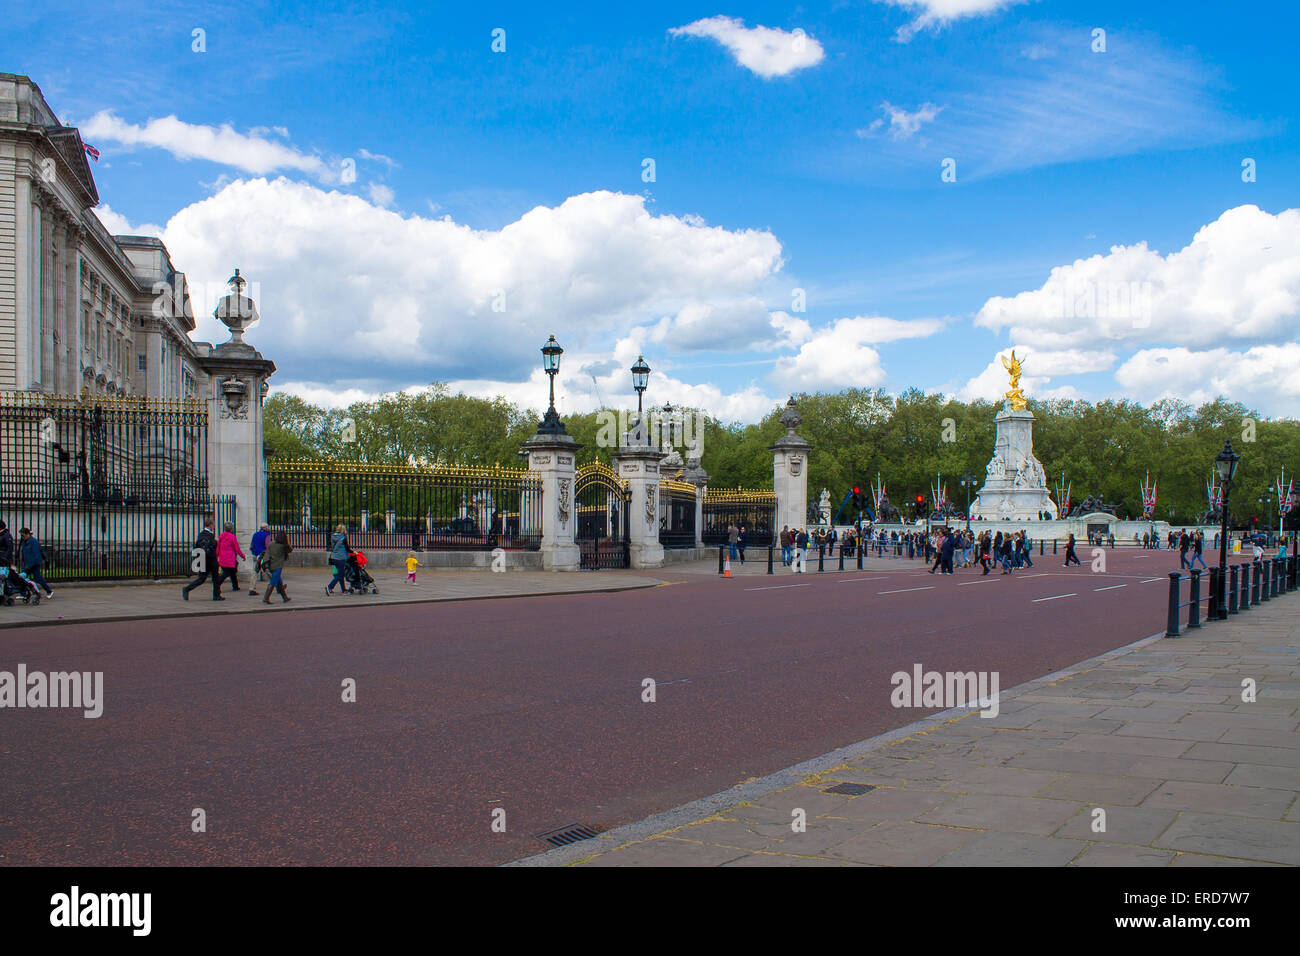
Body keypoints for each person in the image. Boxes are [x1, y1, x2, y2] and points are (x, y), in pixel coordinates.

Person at [182, 517, 221, 601]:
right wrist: (215, 542)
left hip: (203, 559)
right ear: (210, 525)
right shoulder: (209, 535)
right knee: (214, 577)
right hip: (210, 559)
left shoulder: (201, 534)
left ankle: (187, 589)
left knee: (202, 578)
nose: (214, 526)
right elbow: (211, 545)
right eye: (213, 524)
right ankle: (216, 595)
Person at [18, 528, 54, 598]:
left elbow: (36, 555)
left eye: (23, 535)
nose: (22, 537)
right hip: (27, 563)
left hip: (33, 564)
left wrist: (30, 565)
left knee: (38, 578)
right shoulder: (25, 542)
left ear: (28, 534)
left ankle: (49, 591)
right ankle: (23, 594)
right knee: (22, 578)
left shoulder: (33, 542)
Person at [215, 522, 247, 596]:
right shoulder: (232, 536)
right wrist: (242, 556)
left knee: (232, 572)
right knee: (227, 573)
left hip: (222, 557)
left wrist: (216, 556)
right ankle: (217, 584)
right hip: (230, 558)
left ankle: (235, 586)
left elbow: (218, 547)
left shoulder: (221, 535)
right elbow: (236, 548)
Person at [262, 531, 292, 604]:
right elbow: (290, 550)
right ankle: (266, 598)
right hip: (278, 565)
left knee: (279, 582)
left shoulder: (271, 544)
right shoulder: (283, 546)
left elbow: (267, 554)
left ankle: (285, 597)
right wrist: (287, 544)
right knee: (273, 582)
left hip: (271, 565)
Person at [327, 524, 352, 595]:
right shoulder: (343, 537)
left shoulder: (333, 536)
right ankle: (329, 587)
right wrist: (354, 552)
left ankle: (344, 590)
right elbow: (347, 548)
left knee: (339, 574)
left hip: (333, 557)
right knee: (341, 575)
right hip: (341, 558)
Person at [250, 523, 271, 589]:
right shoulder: (267, 535)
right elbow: (268, 546)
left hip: (256, 554)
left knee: (255, 572)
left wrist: (254, 553)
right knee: (268, 571)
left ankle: (251, 588)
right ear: (265, 528)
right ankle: (278, 585)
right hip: (263, 555)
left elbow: (252, 546)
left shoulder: (255, 534)